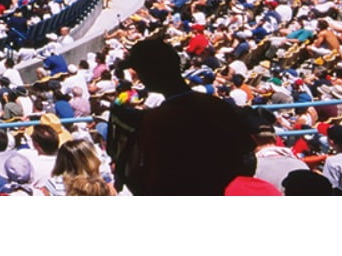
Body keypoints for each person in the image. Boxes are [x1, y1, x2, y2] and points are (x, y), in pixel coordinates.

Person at [109, 36, 255, 196]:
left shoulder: (157, 120)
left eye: (141, 71)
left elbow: (150, 178)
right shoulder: (217, 105)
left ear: (149, 73)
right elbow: (245, 156)